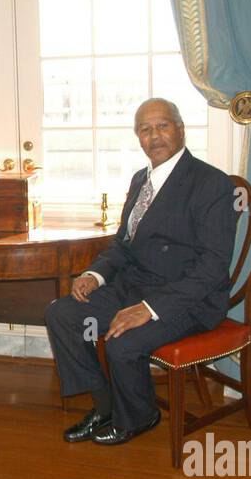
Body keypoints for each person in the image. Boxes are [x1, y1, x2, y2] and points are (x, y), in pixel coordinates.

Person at [46, 99, 236, 445]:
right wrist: (95, 275)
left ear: (180, 129)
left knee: (122, 341)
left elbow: (212, 266)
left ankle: (139, 416)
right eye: (145, 129)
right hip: (135, 285)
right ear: (138, 138)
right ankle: (105, 406)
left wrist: (148, 309)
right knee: (64, 314)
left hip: (188, 299)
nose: (154, 136)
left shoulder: (211, 183)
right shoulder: (140, 180)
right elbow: (123, 244)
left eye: (162, 126)